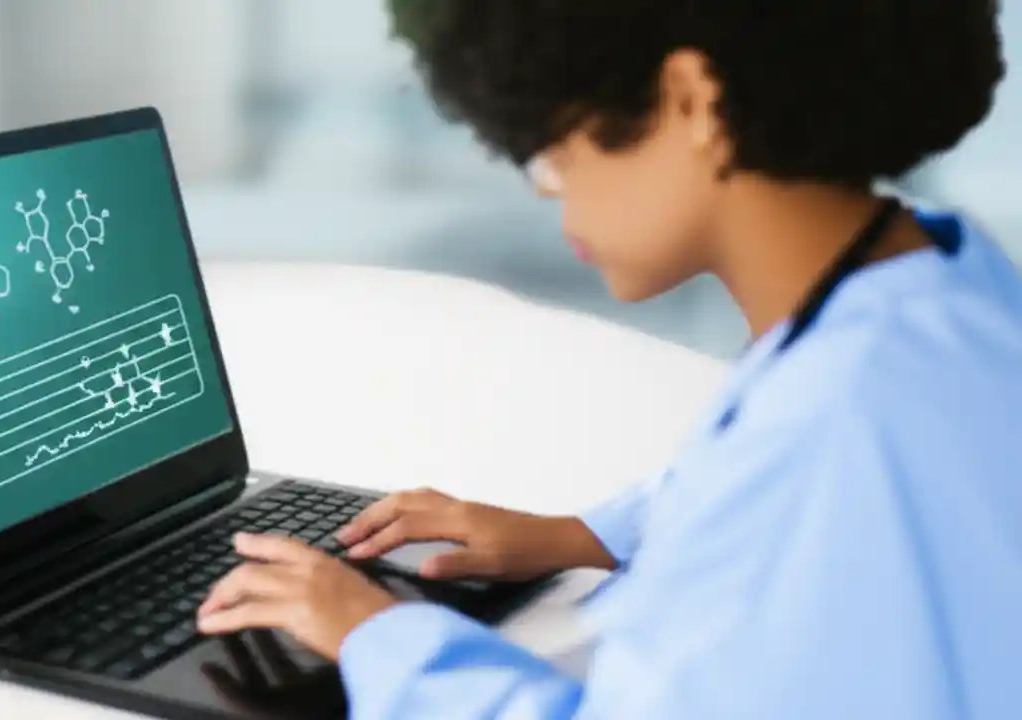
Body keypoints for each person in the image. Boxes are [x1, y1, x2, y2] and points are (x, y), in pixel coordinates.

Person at [199, 1, 1022, 717]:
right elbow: (780, 505)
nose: (547, 187)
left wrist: (375, 635)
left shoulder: (839, 426)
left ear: (690, 100)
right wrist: (579, 534)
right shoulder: (938, 287)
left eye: (552, 145)